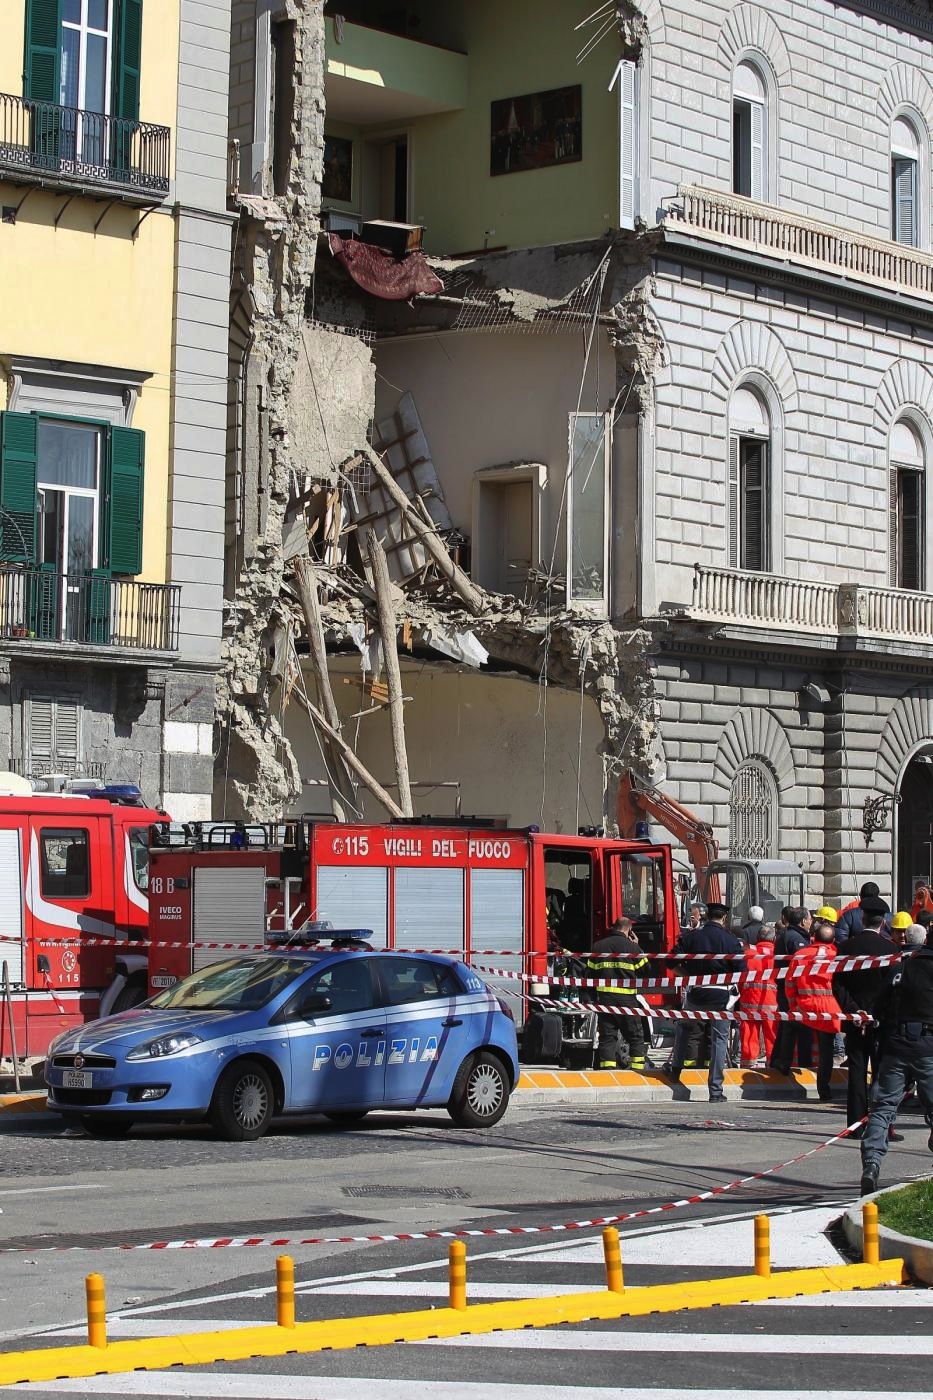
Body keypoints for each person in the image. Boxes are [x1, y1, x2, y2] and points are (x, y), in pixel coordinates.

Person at [859, 924, 933, 1195]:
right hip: (928, 1048)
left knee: (883, 1108)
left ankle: (871, 1165)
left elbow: (880, 1005)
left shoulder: (902, 966)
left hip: (895, 1047)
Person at [667, 902, 745, 1103]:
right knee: (719, 1040)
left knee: (684, 1028)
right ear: (724, 918)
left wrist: (688, 977)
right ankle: (715, 1091)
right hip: (721, 996)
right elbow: (741, 971)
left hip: (696, 994)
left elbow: (670, 961)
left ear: (707, 916)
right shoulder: (730, 940)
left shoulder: (692, 936)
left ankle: (675, 1071)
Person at [833, 907, 900, 1136]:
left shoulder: (846, 948)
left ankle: (856, 1125)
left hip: (855, 1022)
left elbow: (837, 985)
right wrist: (873, 1012)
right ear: (883, 923)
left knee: (857, 1072)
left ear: (862, 920)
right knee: (883, 1075)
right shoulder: (890, 949)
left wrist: (855, 1011)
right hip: (881, 1022)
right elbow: (893, 987)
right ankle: (884, 1127)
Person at [783, 915, 843, 1100]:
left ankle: (783, 1066)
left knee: (791, 1033)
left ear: (813, 938)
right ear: (833, 940)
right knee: (826, 1052)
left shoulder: (801, 955)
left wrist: (793, 1004)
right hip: (829, 1007)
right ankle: (823, 1089)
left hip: (804, 1005)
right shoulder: (837, 957)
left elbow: (790, 983)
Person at [585, 917, 649, 1070]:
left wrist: (593, 997)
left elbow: (588, 974)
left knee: (607, 1036)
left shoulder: (598, 946)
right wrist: (637, 947)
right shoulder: (632, 948)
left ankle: (608, 1070)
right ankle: (638, 1069)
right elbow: (645, 970)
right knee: (635, 1035)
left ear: (614, 928)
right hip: (627, 1000)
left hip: (605, 1000)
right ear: (629, 930)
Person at [771, 905, 813, 1075]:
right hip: (793, 990)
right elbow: (802, 966)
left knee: (787, 1026)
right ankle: (798, 1064)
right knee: (798, 1027)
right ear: (803, 921)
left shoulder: (786, 935)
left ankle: (779, 1061)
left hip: (787, 989)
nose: (811, 922)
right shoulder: (796, 939)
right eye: (810, 918)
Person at [738, 923, 777, 1067]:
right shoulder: (778, 955)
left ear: (757, 937)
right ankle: (772, 1062)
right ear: (774, 939)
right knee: (772, 1034)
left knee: (749, 1032)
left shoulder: (748, 954)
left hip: (749, 999)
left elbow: (740, 978)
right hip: (772, 1000)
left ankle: (748, 1062)